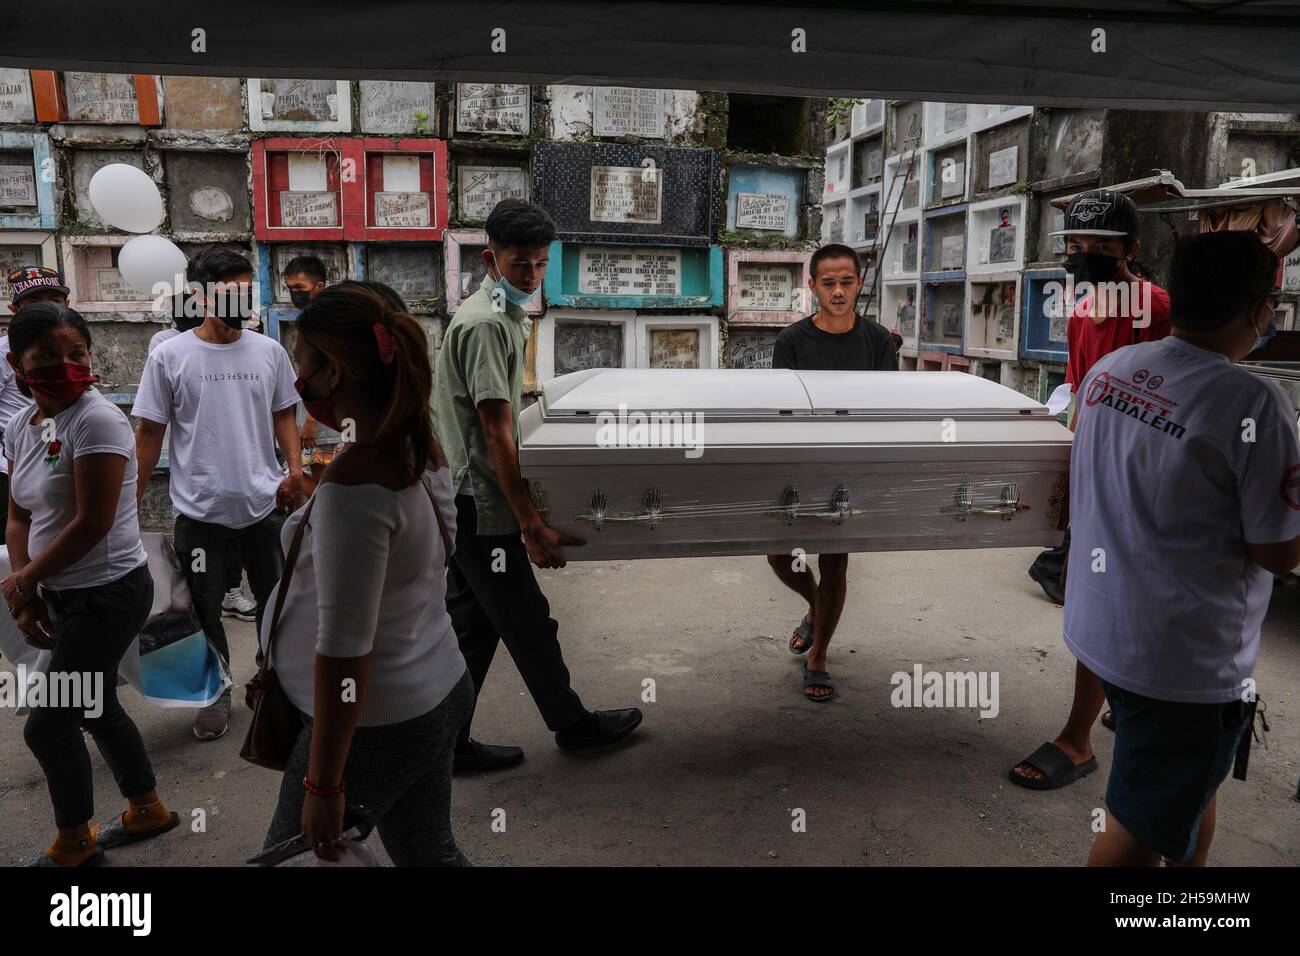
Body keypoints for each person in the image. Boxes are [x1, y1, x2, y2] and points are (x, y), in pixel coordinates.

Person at [1070, 231, 1300, 865]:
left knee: (1188, 787)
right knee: (1136, 833)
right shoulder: (1253, 402)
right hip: (1181, 664)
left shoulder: (1114, 371)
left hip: (1103, 632)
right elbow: (1278, 554)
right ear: (1259, 311)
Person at [262, 282, 473, 866]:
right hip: (433, 687)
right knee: (430, 853)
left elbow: (345, 654)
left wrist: (324, 786)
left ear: (332, 373)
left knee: (289, 858)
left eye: (301, 360)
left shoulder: (357, 485)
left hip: (376, 720)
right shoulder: (416, 444)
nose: (296, 376)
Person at [432, 198, 642, 774]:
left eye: (540, 264)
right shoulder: (484, 325)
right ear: (491, 259)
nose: (531, 275)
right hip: (480, 505)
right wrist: (529, 522)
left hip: (464, 499)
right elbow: (496, 435)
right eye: (520, 264)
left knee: (472, 627)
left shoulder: (499, 314)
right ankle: (572, 726)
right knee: (525, 621)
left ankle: (444, 744)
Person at [3, 303, 178, 866]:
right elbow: (19, 516)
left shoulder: (98, 420)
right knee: (95, 701)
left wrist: (25, 580)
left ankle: (75, 846)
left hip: (108, 592)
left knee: (49, 728)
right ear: (17, 364)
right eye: (47, 356)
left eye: (76, 353)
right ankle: (146, 808)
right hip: (59, 587)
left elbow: (94, 522)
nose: (66, 365)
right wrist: (29, 591)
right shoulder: (19, 424)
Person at [1011, 189, 1172, 790]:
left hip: (1146, 478)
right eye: (1076, 247)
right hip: (1100, 471)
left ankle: (1077, 740)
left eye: (1100, 247)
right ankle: (1123, 700)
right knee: (1108, 598)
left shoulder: (1155, 308)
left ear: (1130, 250)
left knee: (1113, 603)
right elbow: (1081, 394)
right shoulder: (1080, 313)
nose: (1085, 257)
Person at [132, 246, 305, 742]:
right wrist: (129, 506)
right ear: (197, 295)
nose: (242, 297)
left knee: (276, 603)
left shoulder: (268, 351)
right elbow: (149, 434)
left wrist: (293, 470)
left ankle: (274, 684)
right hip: (201, 512)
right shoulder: (169, 355)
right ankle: (214, 693)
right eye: (230, 289)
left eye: (246, 288)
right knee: (204, 610)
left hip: (264, 506)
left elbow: (283, 416)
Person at [767, 244, 898, 702]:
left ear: (859, 284)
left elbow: (886, 409)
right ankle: (814, 605)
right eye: (829, 283)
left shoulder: (879, 341)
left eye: (847, 281)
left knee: (835, 560)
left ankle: (819, 654)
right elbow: (783, 409)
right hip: (801, 460)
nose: (838, 291)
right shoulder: (792, 341)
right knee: (780, 556)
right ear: (813, 286)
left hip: (854, 464)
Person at [2, 267, 71, 540]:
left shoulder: (73, 341)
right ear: (14, 309)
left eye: (54, 301)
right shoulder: (4, 352)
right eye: (34, 303)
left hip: (66, 453)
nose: (45, 310)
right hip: (14, 463)